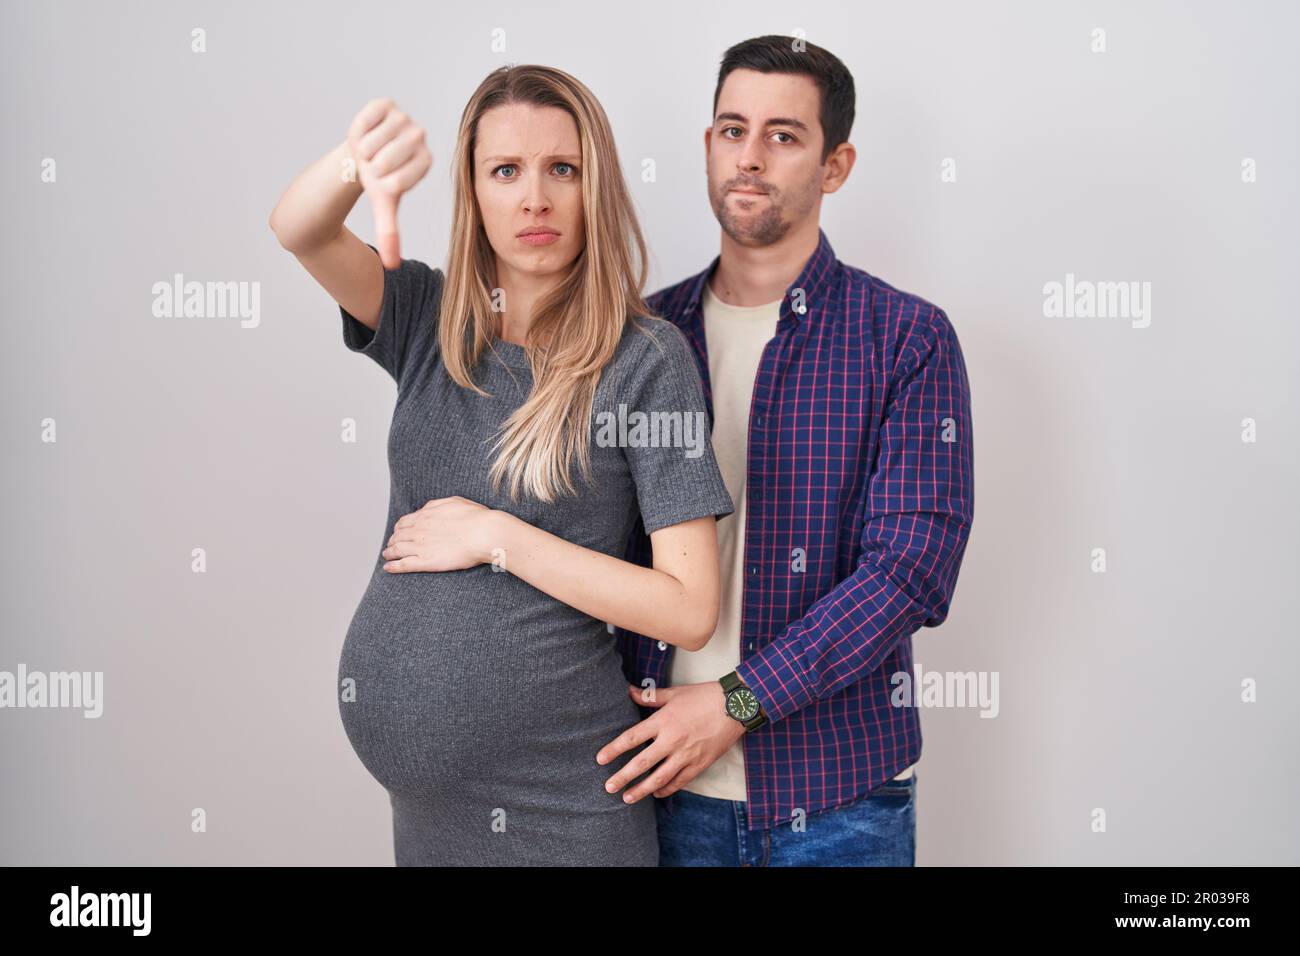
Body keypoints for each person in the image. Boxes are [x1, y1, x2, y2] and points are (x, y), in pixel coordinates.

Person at [268, 65, 734, 866]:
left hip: (563, 806)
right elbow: (298, 229)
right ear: (474, 192)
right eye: (505, 171)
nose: (534, 199)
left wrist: (497, 537)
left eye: (563, 169)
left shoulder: (648, 362)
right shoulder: (426, 319)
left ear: (597, 188)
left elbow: (690, 608)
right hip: (430, 820)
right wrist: (358, 159)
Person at [600, 35, 975, 867]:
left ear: (835, 164)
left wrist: (734, 703)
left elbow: (910, 571)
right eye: (733, 130)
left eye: (783, 135)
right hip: (657, 787)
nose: (750, 157)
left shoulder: (906, 338)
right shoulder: (640, 339)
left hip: (843, 797)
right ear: (707, 146)